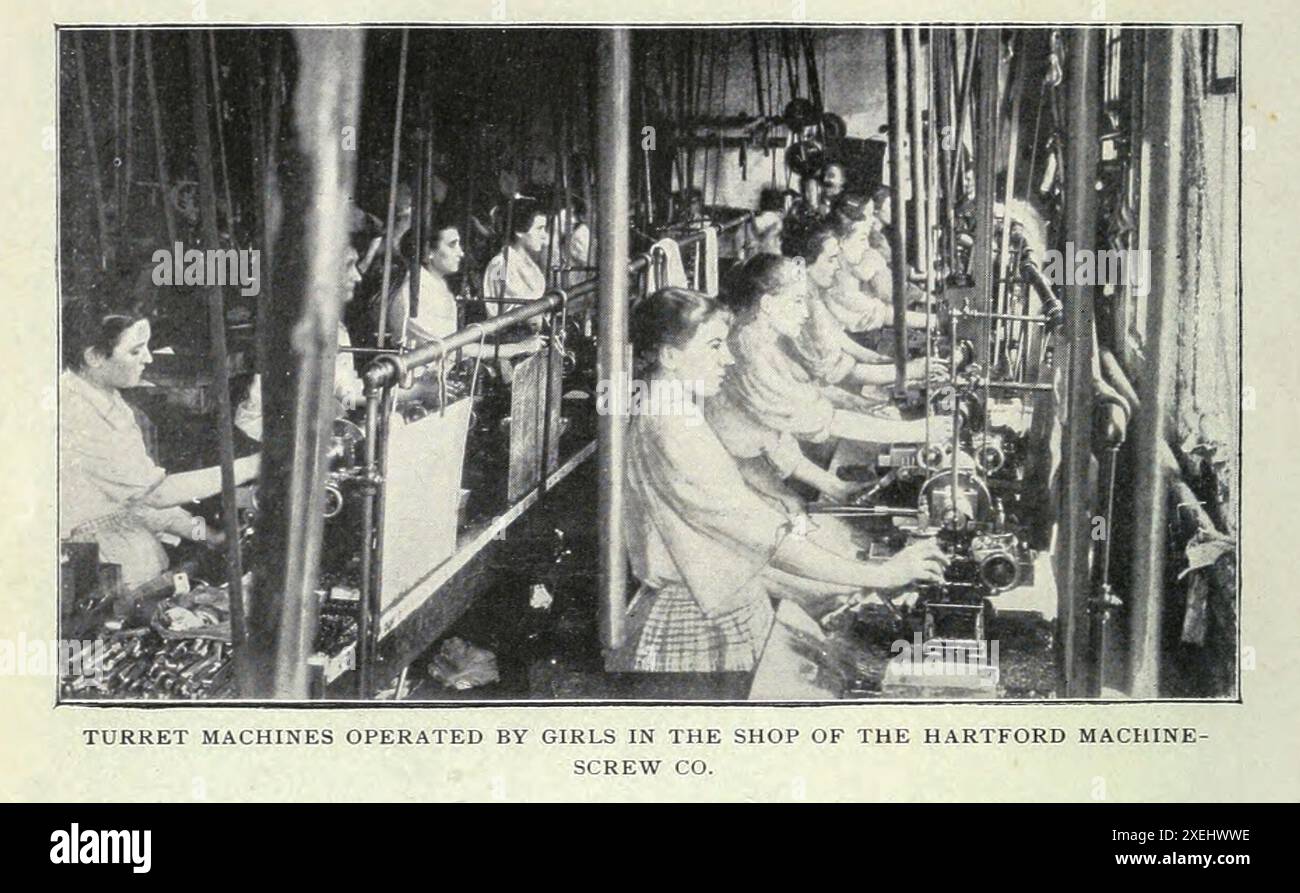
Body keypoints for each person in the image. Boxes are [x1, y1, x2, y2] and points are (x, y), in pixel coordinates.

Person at [613, 287, 948, 673]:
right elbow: (763, 538)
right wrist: (882, 574)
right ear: (671, 356)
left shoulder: (670, 411)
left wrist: (849, 579)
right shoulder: (674, 430)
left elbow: (737, 538)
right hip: (702, 617)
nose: (727, 357)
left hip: (718, 597)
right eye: (715, 346)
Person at [705, 254, 948, 518]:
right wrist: (914, 431)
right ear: (767, 304)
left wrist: (836, 487)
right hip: (722, 476)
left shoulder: (762, 341)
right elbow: (820, 420)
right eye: (797, 301)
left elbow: (779, 426)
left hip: (751, 462)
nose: (805, 311)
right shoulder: (748, 351)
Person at [60, 297, 260, 588]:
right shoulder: (73, 413)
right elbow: (156, 494)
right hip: (99, 575)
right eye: (136, 351)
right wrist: (254, 465)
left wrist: (207, 535)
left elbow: (138, 501)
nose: (149, 359)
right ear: (94, 357)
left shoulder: (110, 400)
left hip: (136, 561)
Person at [784, 217, 935, 392]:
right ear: (807, 262)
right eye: (831, 259)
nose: (837, 267)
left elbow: (834, 335)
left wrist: (874, 358)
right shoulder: (804, 303)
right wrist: (911, 370)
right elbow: (839, 373)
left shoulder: (810, 292)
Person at [385, 218, 541, 360]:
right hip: (422, 381)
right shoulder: (415, 292)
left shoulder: (435, 284)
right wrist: (517, 348)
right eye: (453, 245)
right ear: (428, 253)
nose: (461, 253)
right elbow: (452, 347)